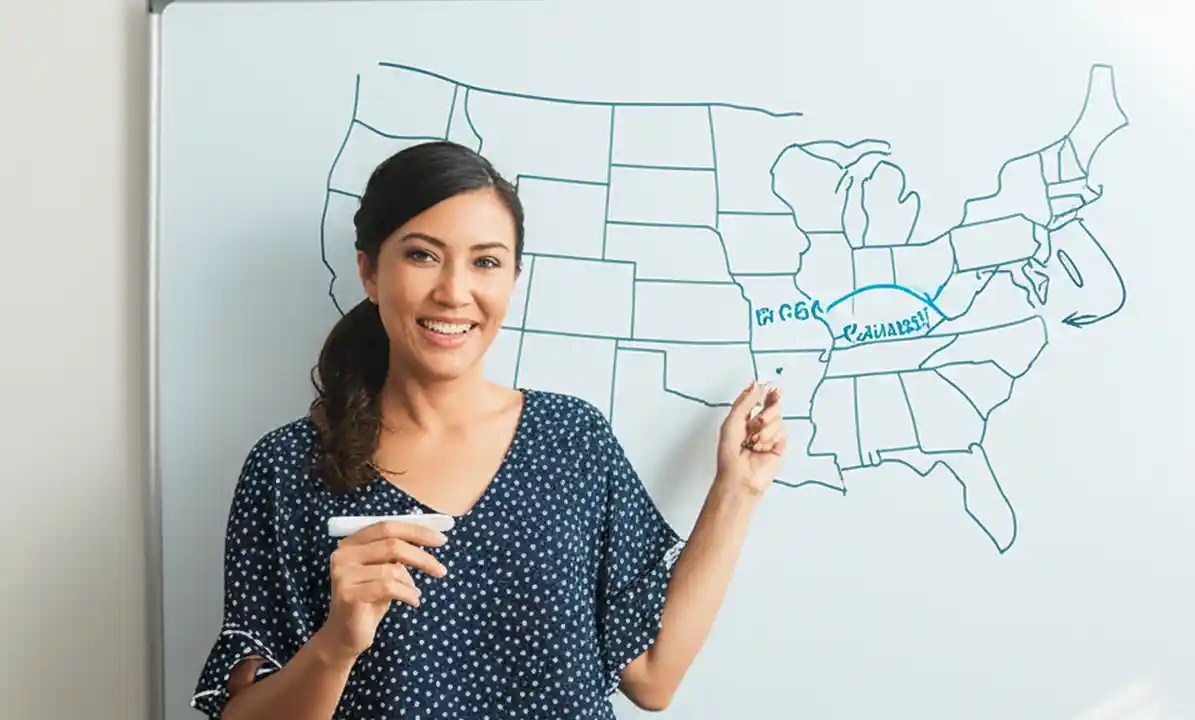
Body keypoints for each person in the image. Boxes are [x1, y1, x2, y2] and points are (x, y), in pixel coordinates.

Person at [190, 140, 787, 719]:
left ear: (513, 280)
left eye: (486, 262)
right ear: (369, 273)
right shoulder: (290, 467)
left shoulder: (571, 440)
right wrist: (336, 645)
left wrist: (738, 489)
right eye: (422, 255)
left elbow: (654, 676)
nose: (454, 292)